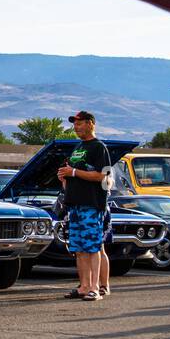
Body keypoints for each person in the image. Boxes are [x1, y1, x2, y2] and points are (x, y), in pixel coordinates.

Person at [57, 110, 111, 302]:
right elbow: (72, 173)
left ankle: (95, 288)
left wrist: (74, 172)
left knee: (92, 247)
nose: (76, 127)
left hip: (91, 204)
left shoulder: (99, 147)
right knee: (78, 248)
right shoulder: (78, 147)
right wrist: (65, 177)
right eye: (75, 124)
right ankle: (84, 286)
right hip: (75, 204)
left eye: (80, 123)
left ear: (90, 124)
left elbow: (103, 176)